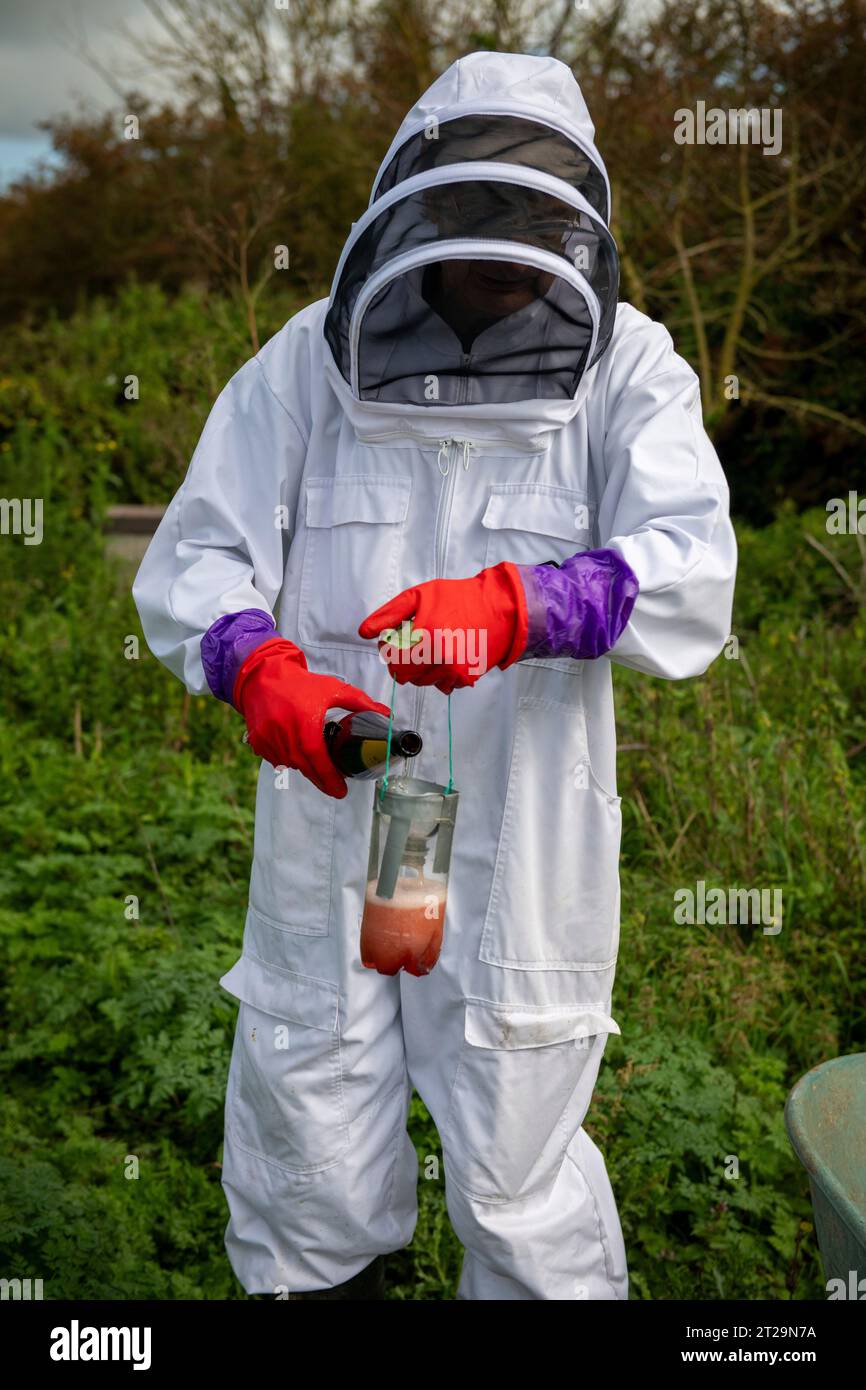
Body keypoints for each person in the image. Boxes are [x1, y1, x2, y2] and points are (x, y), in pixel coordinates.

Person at [133, 50, 737, 1301]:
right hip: (331, 805)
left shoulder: (628, 368)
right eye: (475, 214)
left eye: (528, 221)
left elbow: (691, 572)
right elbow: (198, 552)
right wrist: (256, 669)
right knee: (308, 1139)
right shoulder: (307, 363)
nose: (500, 251)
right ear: (414, 204)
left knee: (518, 1181)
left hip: (523, 838)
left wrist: (531, 601)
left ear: (573, 226)